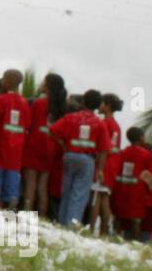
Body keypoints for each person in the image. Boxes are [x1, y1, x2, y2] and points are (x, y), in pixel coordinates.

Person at [50, 92, 108, 228]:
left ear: (82, 102)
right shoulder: (99, 123)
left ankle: (62, 222)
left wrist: (64, 144)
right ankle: (72, 224)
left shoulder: (71, 117)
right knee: (79, 194)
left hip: (69, 156)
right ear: (98, 105)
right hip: (87, 160)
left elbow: (52, 130)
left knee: (66, 191)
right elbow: (104, 149)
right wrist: (100, 169)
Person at [22, 72, 65, 218]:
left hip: (34, 144)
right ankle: (41, 216)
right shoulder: (60, 106)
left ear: (47, 85)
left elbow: (28, 123)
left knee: (30, 185)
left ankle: (27, 214)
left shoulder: (39, 103)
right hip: (50, 147)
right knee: (42, 187)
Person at [0, 69, 29, 209]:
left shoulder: (0, 100)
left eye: (4, 78)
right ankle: (7, 212)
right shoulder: (25, 104)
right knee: (11, 183)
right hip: (16, 153)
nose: (2, 81)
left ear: (9, 81)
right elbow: (27, 126)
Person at [110, 127, 152, 240]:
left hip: (121, 189)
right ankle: (136, 243)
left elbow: (116, 170)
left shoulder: (122, 152)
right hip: (137, 192)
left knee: (119, 217)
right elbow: (151, 175)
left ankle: (115, 239)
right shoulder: (146, 154)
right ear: (141, 138)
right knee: (136, 220)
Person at [89, 93, 123, 234]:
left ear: (108, 106)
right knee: (104, 198)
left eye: (102, 103)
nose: (100, 106)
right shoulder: (116, 125)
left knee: (96, 197)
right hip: (113, 163)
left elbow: (103, 146)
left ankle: (91, 229)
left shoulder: (104, 123)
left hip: (104, 163)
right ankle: (103, 231)